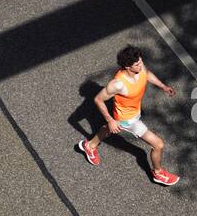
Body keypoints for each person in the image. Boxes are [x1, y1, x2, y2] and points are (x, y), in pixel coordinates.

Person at [77, 45, 180, 186]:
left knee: (110, 128)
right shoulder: (118, 84)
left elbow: (147, 73)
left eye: (141, 61)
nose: (141, 64)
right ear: (127, 66)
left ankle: (89, 145)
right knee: (158, 144)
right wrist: (111, 120)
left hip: (134, 112)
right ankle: (158, 173)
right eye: (137, 64)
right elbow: (98, 100)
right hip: (127, 119)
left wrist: (162, 86)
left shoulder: (140, 67)